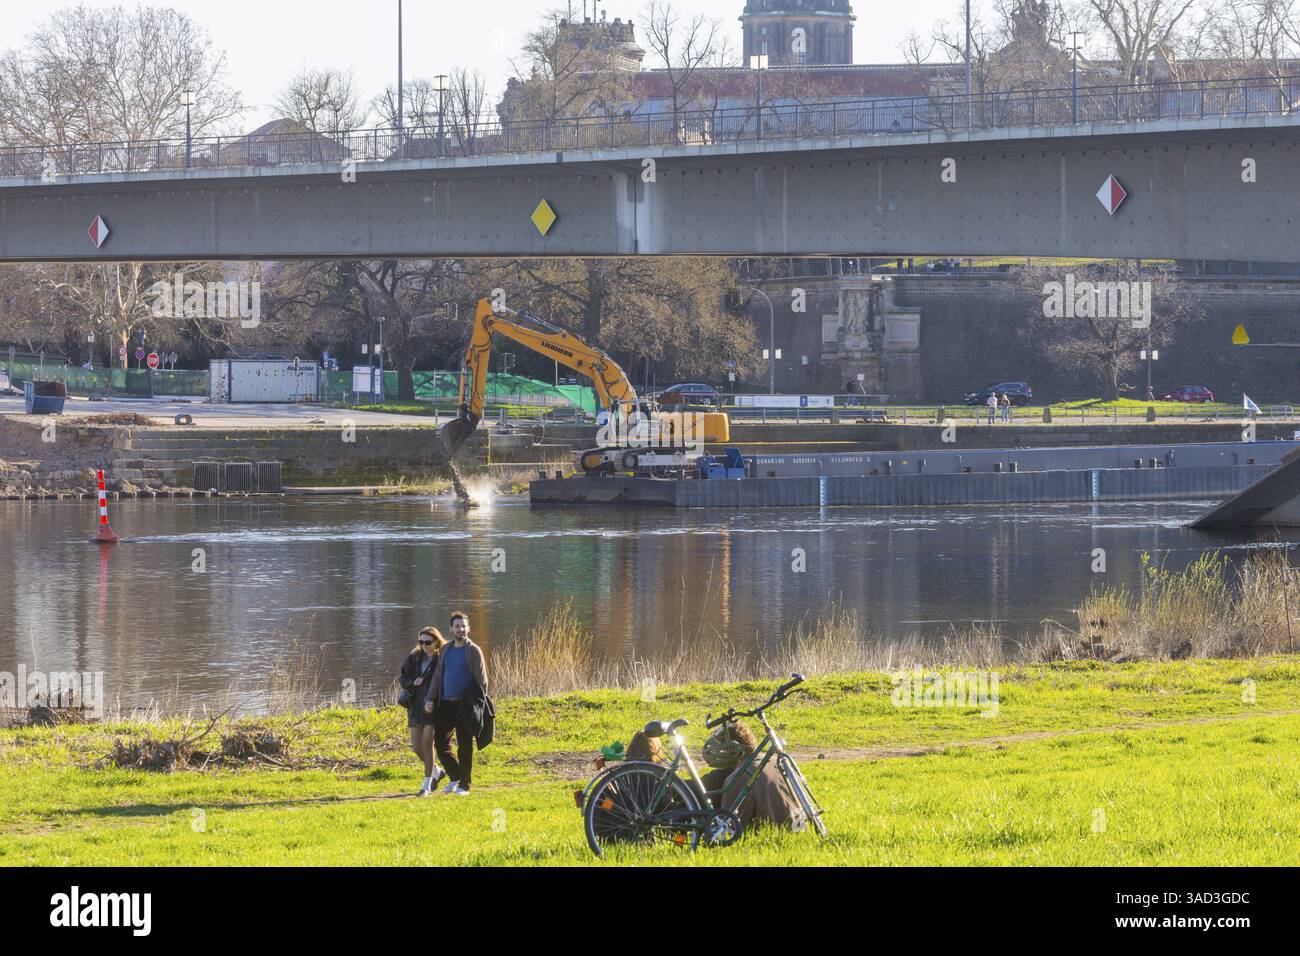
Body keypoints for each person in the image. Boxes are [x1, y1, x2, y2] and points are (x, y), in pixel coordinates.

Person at [423, 610, 491, 795]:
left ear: (468, 628)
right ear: (451, 629)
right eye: (457, 626)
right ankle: (455, 775)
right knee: (440, 744)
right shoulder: (445, 650)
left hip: (466, 706)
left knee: (465, 746)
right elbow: (437, 677)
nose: (461, 629)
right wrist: (429, 698)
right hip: (445, 704)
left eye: (463, 626)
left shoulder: (474, 650)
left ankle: (464, 785)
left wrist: (476, 705)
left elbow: (482, 682)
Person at [698, 721, 806, 832]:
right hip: (799, 827)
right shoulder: (775, 761)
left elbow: (731, 828)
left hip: (774, 834)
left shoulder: (739, 777)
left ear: (732, 748)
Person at [400, 627, 447, 797]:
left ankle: (426, 785)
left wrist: (435, 700)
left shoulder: (442, 658)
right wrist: (413, 682)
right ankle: (436, 771)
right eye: (421, 642)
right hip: (415, 707)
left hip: (433, 707)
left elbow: (446, 681)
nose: (424, 645)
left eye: (428, 642)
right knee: (416, 747)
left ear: (437, 642)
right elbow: (403, 679)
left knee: (427, 743)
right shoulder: (414, 657)